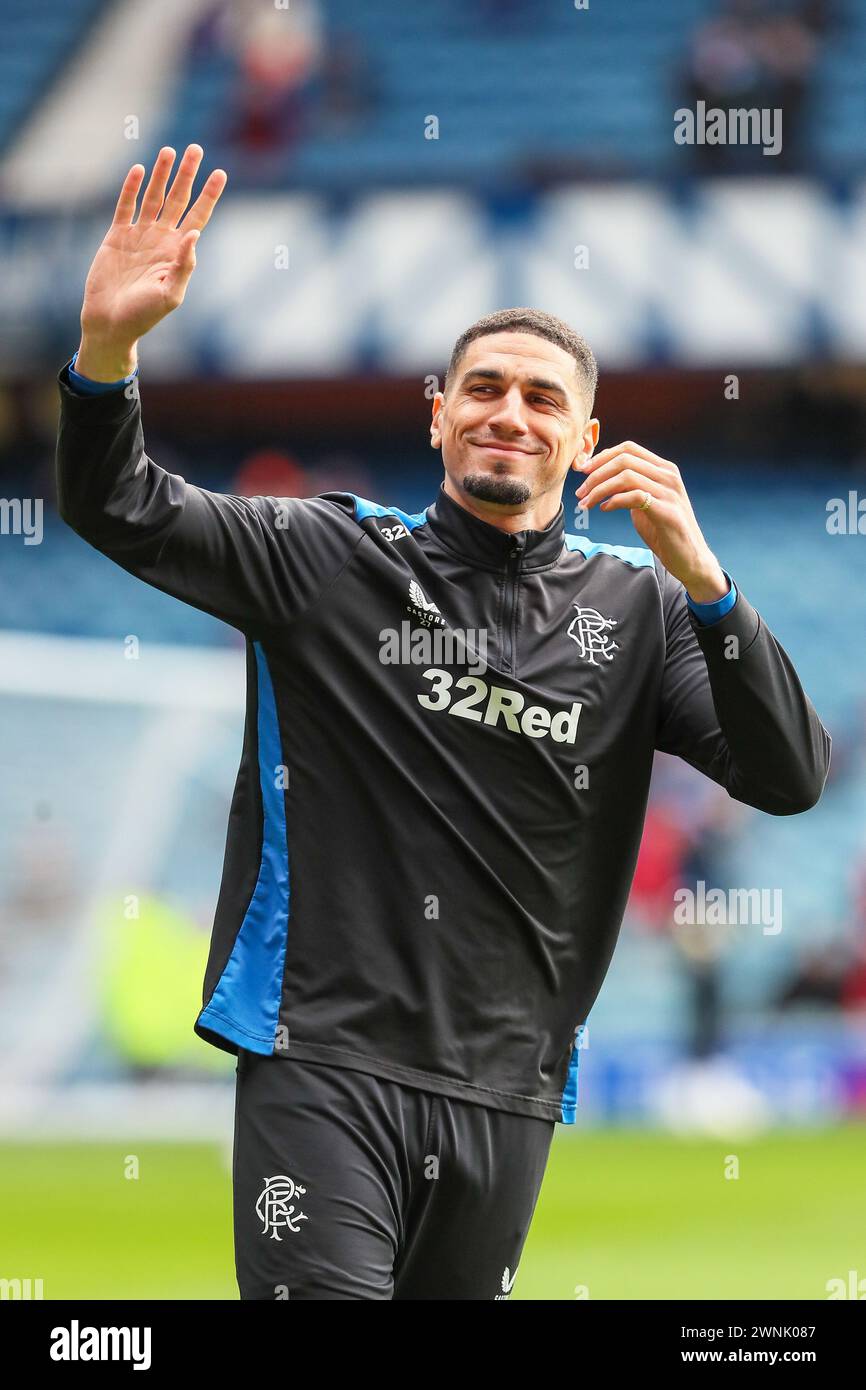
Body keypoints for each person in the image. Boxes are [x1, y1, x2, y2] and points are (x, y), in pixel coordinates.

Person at [55, 145, 831, 1300]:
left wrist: (710, 585)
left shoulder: (643, 606)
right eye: (479, 388)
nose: (506, 413)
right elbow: (120, 504)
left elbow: (787, 776)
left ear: (582, 436)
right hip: (323, 1059)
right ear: (435, 418)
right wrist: (109, 351)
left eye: (539, 398)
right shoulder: (324, 556)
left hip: (507, 1089)